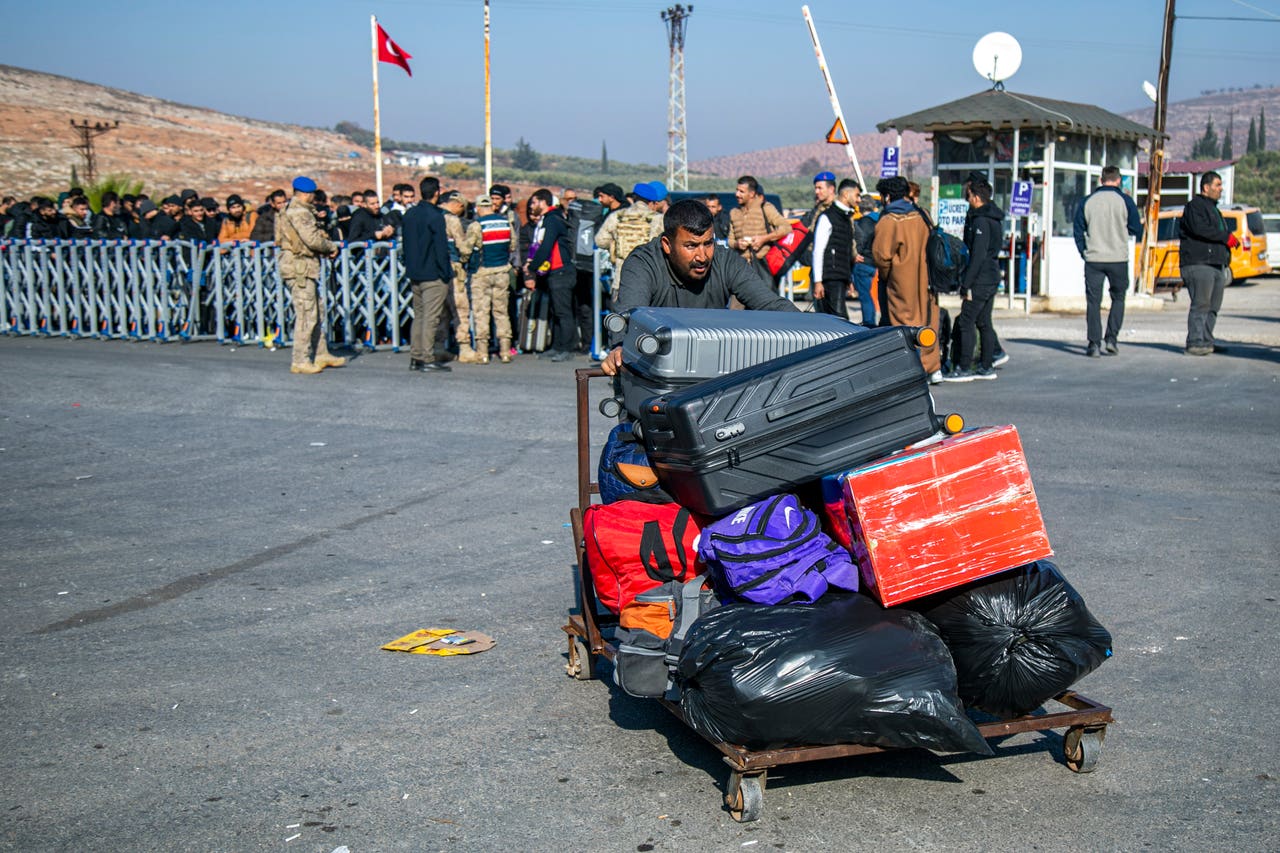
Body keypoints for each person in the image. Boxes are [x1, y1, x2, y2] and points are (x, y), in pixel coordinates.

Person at [602, 199, 798, 376]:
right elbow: (629, 315)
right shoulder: (643, 263)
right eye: (691, 246)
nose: (702, 256)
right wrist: (618, 347)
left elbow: (771, 304)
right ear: (667, 245)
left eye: (708, 243)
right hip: (654, 369)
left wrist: (817, 329)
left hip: (711, 370)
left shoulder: (726, 261)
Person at [871, 176, 942, 380]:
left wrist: (888, 276)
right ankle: (932, 367)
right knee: (928, 322)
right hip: (928, 280)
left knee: (903, 326)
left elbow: (881, 256)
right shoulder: (923, 215)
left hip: (901, 283)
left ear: (886, 196)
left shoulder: (890, 220)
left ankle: (909, 370)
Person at [274, 176, 345, 375]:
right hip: (299, 266)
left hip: (303, 265)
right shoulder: (299, 212)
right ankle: (300, 359)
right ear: (307, 194)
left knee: (317, 310)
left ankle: (320, 353)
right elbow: (311, 239)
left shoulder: (292, 210)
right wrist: (330, 246)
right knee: (306, 314)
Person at [1074, 165, 1143, 358]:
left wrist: (1084, 251)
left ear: (1101, 179)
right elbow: (1137, 229)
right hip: (1118, 258)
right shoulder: (1125, 201)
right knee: (1118, 298)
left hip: (1094, 258)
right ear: (1119, 180)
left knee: (1093, 302)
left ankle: (1094, 344)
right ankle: (1111, 339)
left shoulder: (1088, 201)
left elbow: (1078, 230)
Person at [943, 177, 1005, 382]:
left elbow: (978, 255)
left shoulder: (980, 221)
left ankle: (963, 367)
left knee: (967, 321)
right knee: (984, 321)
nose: (967, 199)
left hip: (981, 278)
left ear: (976, 197)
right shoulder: (995, 218)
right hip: (992, 275)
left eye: (968, 195)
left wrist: (966, 283)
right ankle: (986, 366)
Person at [400, 176, 453, 372]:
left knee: (420, 316)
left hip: (415, 272)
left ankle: (416, 356)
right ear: (437, 192)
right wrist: (445, 273)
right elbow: (440, 248)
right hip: (433, 273)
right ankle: (427, 357)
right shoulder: (436, 216)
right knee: (431, 318)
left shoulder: (410, 214)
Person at [1179, 170, 1233, 356]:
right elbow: (1200, 229)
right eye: (1217, 185)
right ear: (1206, 187)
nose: (1221, 189)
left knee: (1213, 307)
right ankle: (1194, 342)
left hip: (1216, 265)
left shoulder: (1214, 209)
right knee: (1201, 304)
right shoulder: (1195, 206)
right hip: (1199, 263)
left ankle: (1207, 341)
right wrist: (1226, 237)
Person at [525, 188, 578, 361]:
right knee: (556, 311)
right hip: (553, 272)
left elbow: (545, 246)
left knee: (563, 312)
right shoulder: (549, 219)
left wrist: (532, 267)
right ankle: (556, 346)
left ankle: (567, 348)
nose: (531, 206)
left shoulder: (552, 220)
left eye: (534, 202)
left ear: (543, 202)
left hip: (561, 271)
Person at [470, 194, 518, 363]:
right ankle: (505, 350)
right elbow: (512, 245)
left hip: (482, 272)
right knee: (501, 311)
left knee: (481, 312)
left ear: (477, 208)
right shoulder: (506, 223)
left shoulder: (477, 225)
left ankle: (482, 353)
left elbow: (469, 248)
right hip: (502, 272)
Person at [595, 181, 659, 297]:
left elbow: (600, 241)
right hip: (649, 281)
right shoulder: (657, 219)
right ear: (651, 202)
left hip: (621, 280)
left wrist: (616, 244)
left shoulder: (617, 216)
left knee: (620, 314)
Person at [440, 190, 480, 364]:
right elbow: (462, 247)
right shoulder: (452, 220)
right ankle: (464, 347)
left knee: (441, 311)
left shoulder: (433, 217)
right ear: (457, 205)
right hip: (454, 269)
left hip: (436, 269)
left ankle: (438, 347)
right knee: (460, 308)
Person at [727, 175, 790, 284]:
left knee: (764, 300)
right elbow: (729, 240)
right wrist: (737, 244)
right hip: (740, 268)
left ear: (751, 194)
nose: (737, 194)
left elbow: (786, 228)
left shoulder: (765, 208)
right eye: (737, 190)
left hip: (762, 267)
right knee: (736, 301)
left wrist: (764, 239)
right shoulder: (734, 213)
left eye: (741, 191)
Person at [810, 178, 858, 318]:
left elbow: (845, 251)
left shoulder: (846, 218)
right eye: (856, 195)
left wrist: (848, 279)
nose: (859, 199)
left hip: (840, 276)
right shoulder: (827, 217)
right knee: (839, 320)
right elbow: (818, 251)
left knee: (836, 319)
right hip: (830, 278)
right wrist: (818, 281)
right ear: (845, 195)